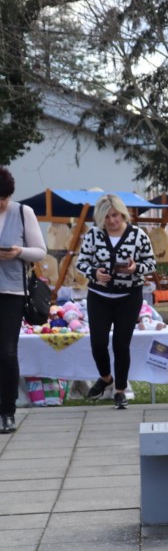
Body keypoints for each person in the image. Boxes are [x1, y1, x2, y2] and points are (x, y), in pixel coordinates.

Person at [74, 193, 157, 411]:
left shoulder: (138, 235)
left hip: (128, 297)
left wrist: (135, 268)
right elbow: (81, 263)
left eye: (115, 215)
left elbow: (151, 263)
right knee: (98, 343)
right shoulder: (93, 235)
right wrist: (94, 273)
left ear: (123, 214)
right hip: (99, 296)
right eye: (107, 217)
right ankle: (105, 378)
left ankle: (120, 391)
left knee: (121, 345)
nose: (112, 220)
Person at [0, 167, 48, 433]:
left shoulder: (22, 212)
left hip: (12, 292)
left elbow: (40, 252)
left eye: (4, 198)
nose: (1, 203)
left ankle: (7, 411)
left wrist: (19, 252)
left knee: (7, 352)